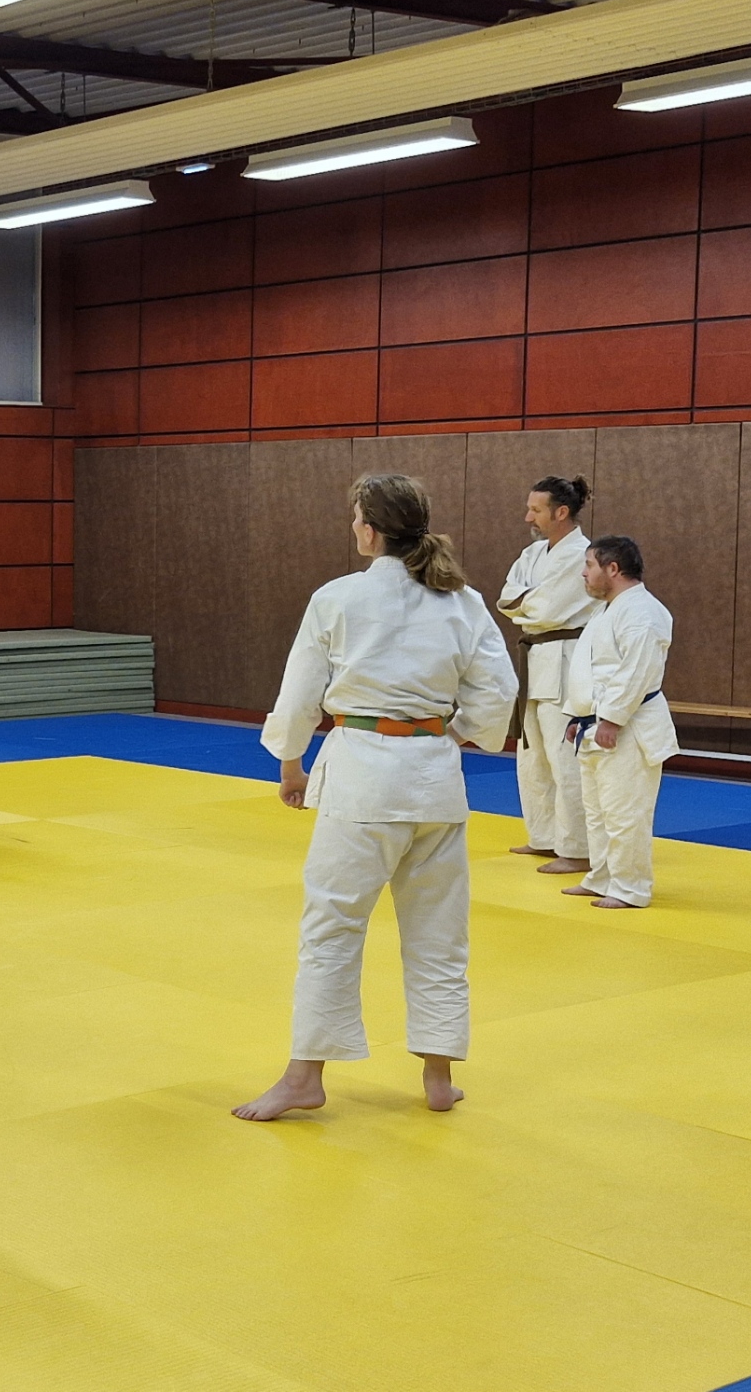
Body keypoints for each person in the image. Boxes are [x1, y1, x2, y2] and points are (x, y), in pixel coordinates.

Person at [233, 475, 516, 1123]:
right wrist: (460, 728)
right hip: (436, 781)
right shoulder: (461, 600)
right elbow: (497, 691)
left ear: (370, 529)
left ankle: (305, 1075)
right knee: (439, 932)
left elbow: (302, 686)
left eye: (356, 517)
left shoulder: (339, 598)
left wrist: (290, 762)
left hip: (363, 781)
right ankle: (439, 1075)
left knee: (332, 927)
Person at [560, 536, 677, 910]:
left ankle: (631, 887)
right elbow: (591, 671)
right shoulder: (608, 610)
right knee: (597, 812)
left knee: (626, 814)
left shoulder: (643, 612)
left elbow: (637, 672)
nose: (584, 573)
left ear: (613, 569)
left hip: (628, 727)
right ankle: (603, 877)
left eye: (589, 565)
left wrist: (611, 719)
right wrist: (576, 715)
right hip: (595, 726)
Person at [498, 476, 598, 877]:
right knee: (531, 753)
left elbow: (550, 610)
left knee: (564, 756)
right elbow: (506, 598)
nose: (528, 517)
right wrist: (525, 604)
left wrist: (526, 604)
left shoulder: (582, 555)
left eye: (536, 510)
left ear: (561, 512)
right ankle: (544, 836)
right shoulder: (533, 553)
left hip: (564, 658)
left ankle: (577, 849)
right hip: (534, 657)